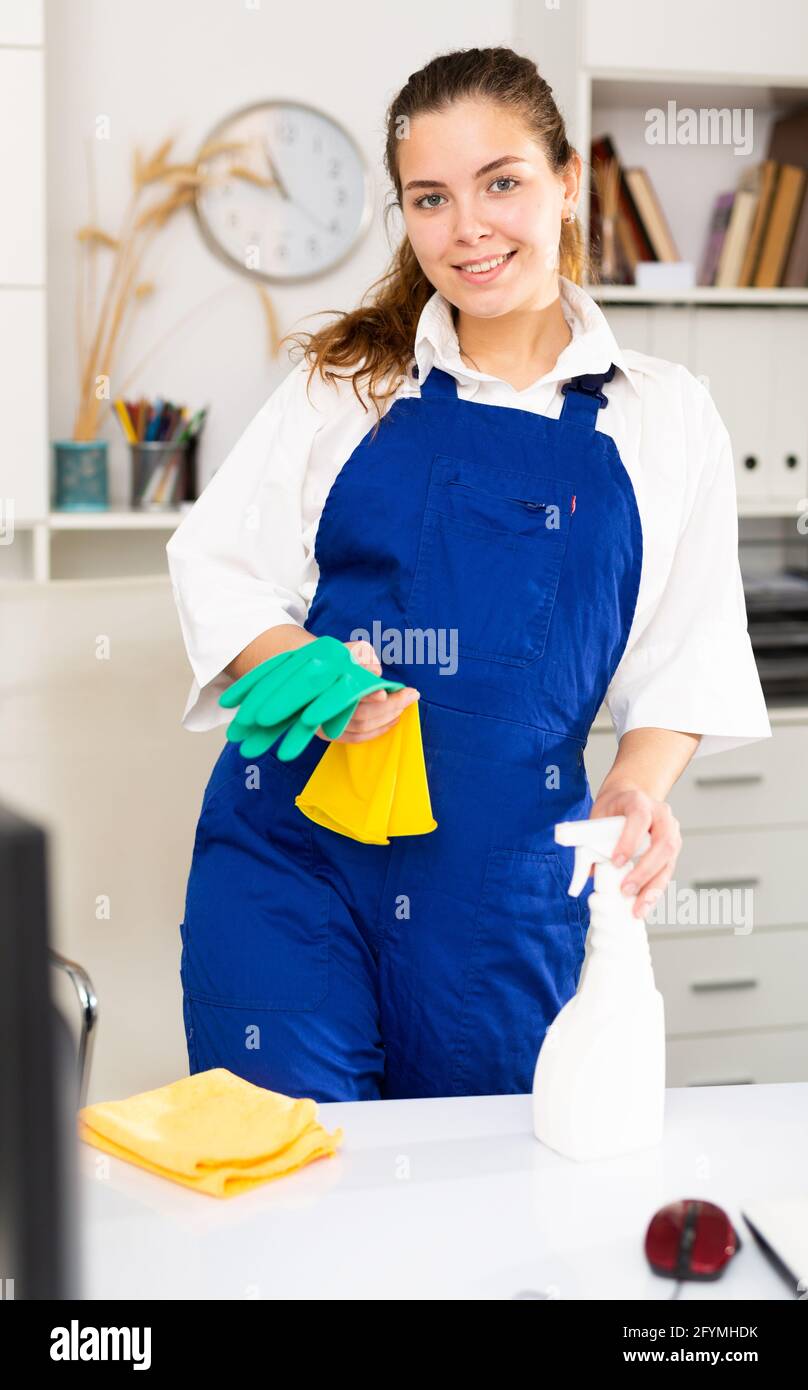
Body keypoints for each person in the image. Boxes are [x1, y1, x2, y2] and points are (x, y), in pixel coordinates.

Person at [166, 47, 771, 1102]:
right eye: (429, 199)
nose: (468, 228)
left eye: (502, 182)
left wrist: (634, 788)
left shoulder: (663, 414)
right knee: (292, 1180)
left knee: (481, 1199)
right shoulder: (349, 383)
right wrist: (313, 675)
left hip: (503, 886)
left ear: (567, 179)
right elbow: (218, 565)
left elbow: (686, 654)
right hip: (290, 855)